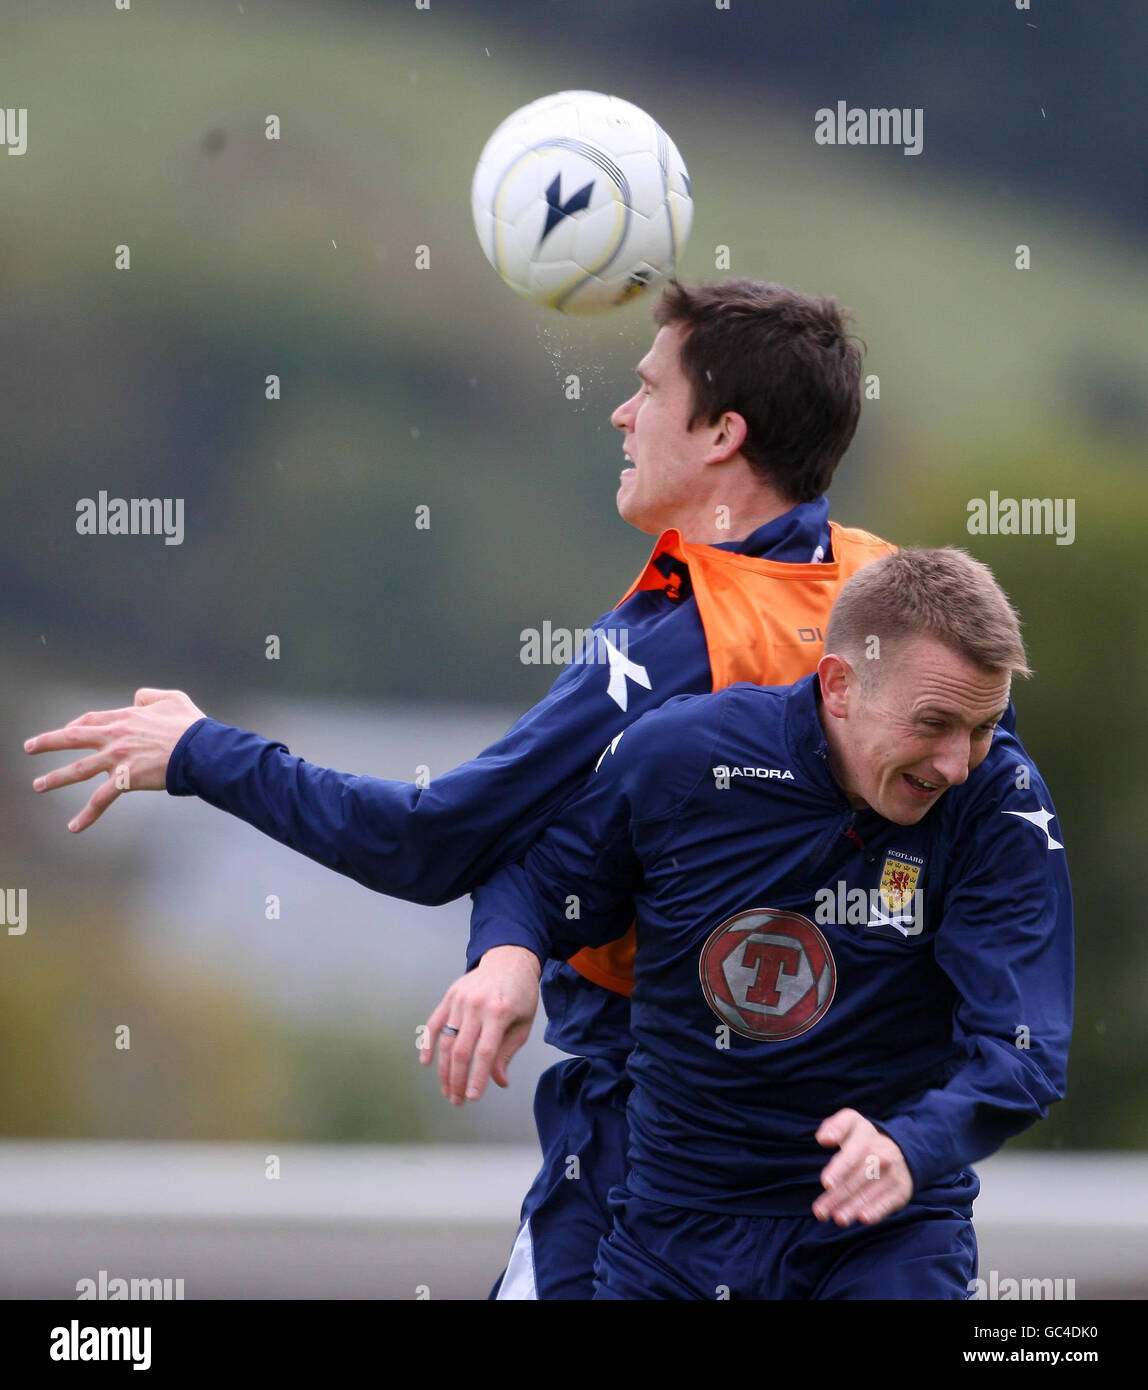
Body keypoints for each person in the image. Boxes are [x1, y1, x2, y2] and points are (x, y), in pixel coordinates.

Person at [25, 279, 896, 1298]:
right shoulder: (886, 595)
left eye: (648, 389)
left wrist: (200, 753)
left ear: (721, 435)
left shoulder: (679, 640)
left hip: (658, 1135)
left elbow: (437, 839)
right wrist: (513, 945)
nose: (621, 413)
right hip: (855, 1145)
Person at [427, 548, 1072, 1299]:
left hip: (886, 1236)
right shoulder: (688, 756)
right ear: (839, 686)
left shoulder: (999, 803)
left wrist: (911, 1145)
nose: (957, 762)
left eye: (983, 726)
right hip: (675, 1230)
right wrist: (508, 958)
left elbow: (1025, 1047)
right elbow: (539, 877)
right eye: (934, 724)